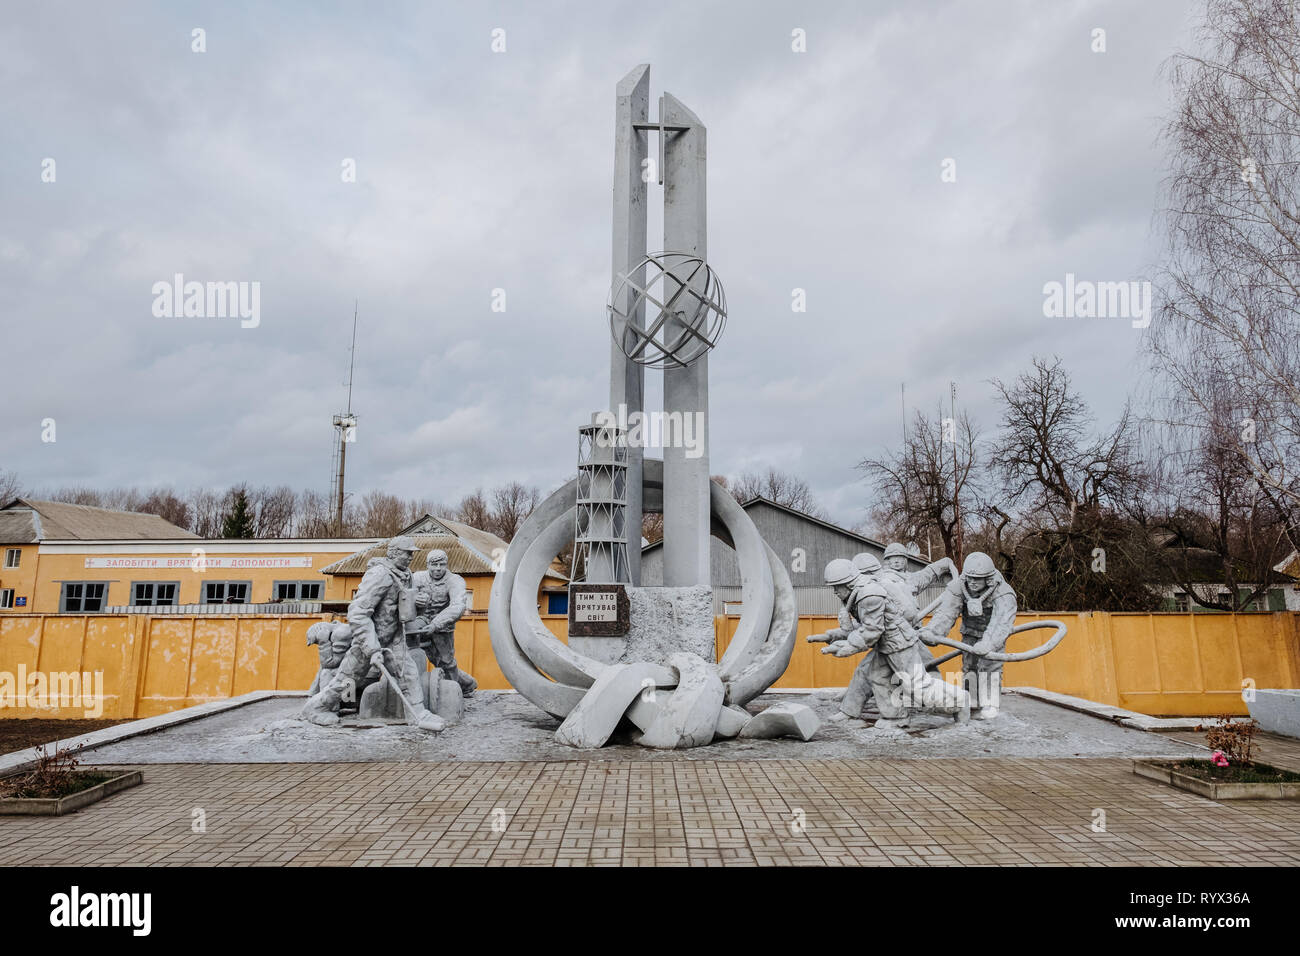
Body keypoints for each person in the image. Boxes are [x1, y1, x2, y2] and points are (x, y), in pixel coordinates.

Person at [301, 536, 446, 732]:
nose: (411, 557)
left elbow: (402, 607)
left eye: (412, 553)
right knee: (349, 679)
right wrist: (372, 648)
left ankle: (418, 713)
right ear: (394, 553)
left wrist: (417, 602)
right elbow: (358, 612)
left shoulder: (405, 574)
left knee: (408, 672)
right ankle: (316, 707)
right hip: (369, 640)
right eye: (407, 553)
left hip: (394, 637)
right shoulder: (380, 575)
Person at [814, 559, 968, 729]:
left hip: (900, 645)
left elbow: (872, 631)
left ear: (848, 583)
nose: (835, 591)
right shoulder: (859, 593)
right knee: (877, 677)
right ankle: (895, 717)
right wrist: (836, 638)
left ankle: (960, 701)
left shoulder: (869, 595)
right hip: (887, 645)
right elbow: (865, 627)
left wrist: (848, 647)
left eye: (837, 586)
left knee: (917, 686)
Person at [916, 551, 1016, 720]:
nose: (972, 582)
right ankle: (972, 700)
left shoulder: (1004, 593)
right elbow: (946, 612)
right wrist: (933, 631)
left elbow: (1002, 622)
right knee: (970, 667)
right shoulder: (958, 587)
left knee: (991, 667)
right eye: (969, 578)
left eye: (977, 579)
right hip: (969, 633)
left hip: (992, 636)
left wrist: (988, 643)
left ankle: (990, 703)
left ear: (988, 578)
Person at [406, 549, 476, 696]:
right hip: (421, 621)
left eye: (442, 564)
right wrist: (414, 599)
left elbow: (458, 606)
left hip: (443, 626)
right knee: (411, 651)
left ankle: (456, 690)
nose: (438, 568)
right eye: (434, 564)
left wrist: (436, 624)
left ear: (446, 565)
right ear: (427, 565)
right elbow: (403, 596)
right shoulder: (417, 578)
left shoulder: (455, 580)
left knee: (446, 662)